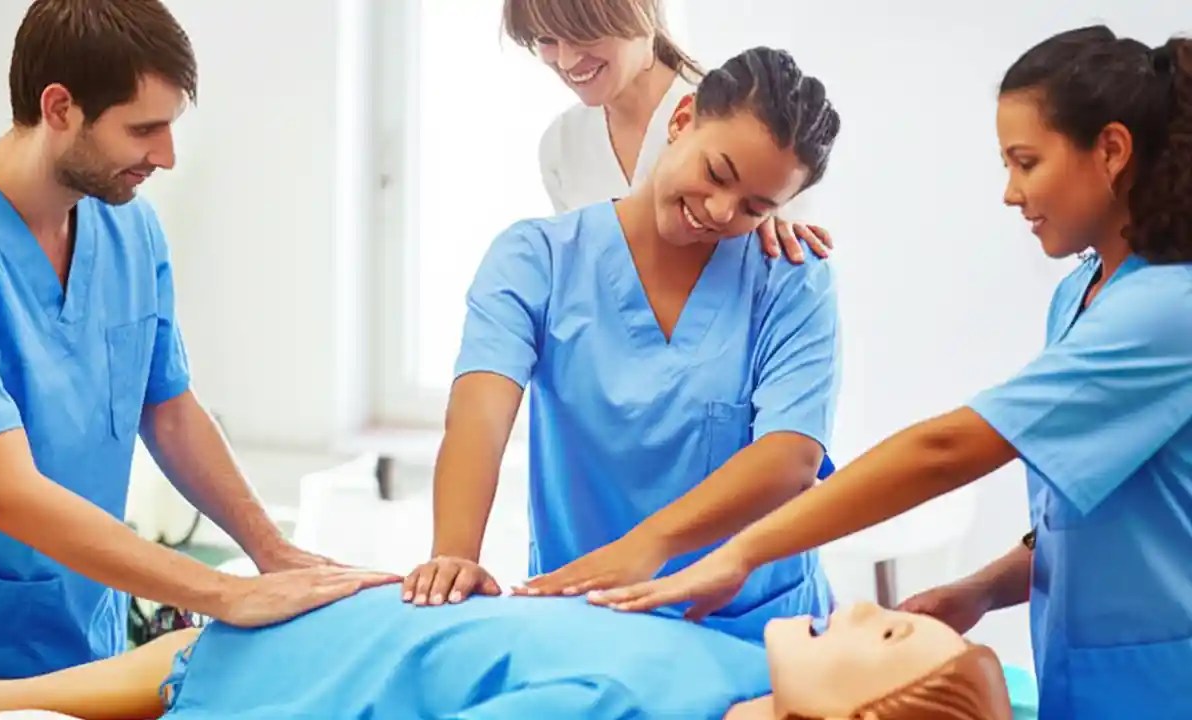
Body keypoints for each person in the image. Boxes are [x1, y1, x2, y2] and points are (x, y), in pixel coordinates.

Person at [590, 26, 1192, 720]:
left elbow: (947, 450)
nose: (1008, 192)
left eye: (1026, 162)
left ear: (1111, 151)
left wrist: (739, 552)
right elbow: (1088, 519)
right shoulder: (1081, 296)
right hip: (1082, 676)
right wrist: (982, 590)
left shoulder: (1166, 310)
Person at [0, 0, 397, 681]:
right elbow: (9, 493)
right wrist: (226, 594)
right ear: (59, 108)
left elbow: (167, 408)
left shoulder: (127, 230)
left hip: (92, 634)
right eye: (144, 129)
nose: (166, 157)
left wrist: (271, 551)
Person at [400, 44, 843, 645]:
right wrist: (454, 555)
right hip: (588, 616)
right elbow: (480, 412)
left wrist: (646, 549)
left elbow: (789, 458)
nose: (718, 210)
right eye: (716, 174)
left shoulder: (789, 276)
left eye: (754, 206)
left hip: (758, 628)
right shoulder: (537, 260)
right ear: (682, 119)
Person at [0, 591, 1019, 719]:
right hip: (306, 641)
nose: (867, 610)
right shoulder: (738, 668)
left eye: (882, 639)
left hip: (301, 670)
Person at [503, 0, 835, 264]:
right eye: (546, 39)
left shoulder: (734, 124)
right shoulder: (560, 145)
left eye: (582, 32)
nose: (566, 59)